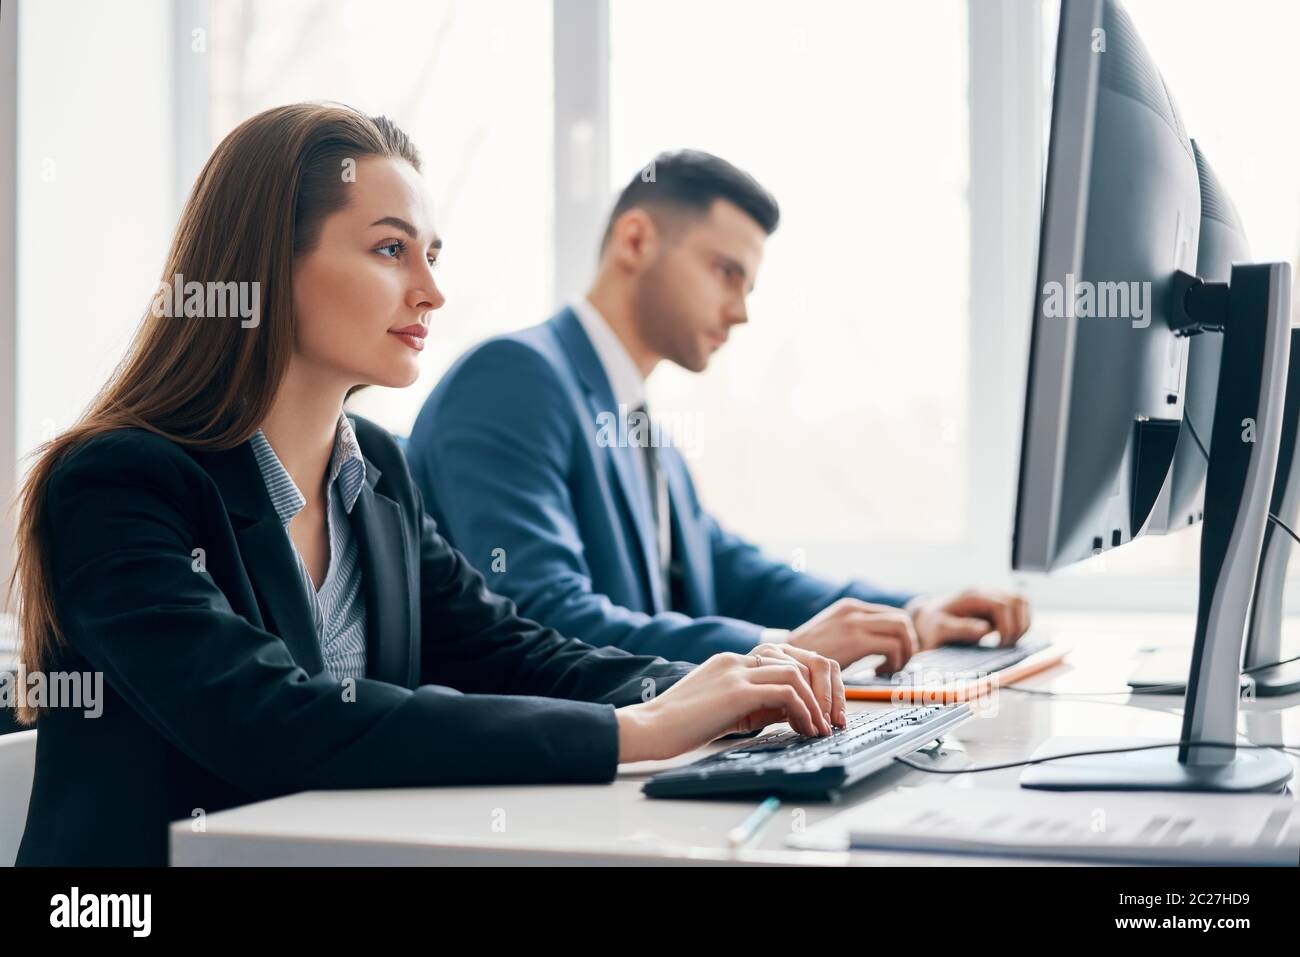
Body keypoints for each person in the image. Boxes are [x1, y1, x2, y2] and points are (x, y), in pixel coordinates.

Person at [6, 109, 843, 866]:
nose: (432, 292)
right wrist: (632, 731)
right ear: (266, 265)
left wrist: (709, 686)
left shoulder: (377, 470)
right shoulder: (118, 483)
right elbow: (268, 719)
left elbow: (503, 650)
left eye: (431, 255)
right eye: (389, 249)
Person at [407, 149, 1031, 667]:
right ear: (636, 240)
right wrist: (777, 651)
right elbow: (541, 615)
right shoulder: (515, 379)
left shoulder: (638, 423)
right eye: (726, 273)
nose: (740, 311)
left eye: (749, 286)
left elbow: (736, 573)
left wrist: (914, 613)